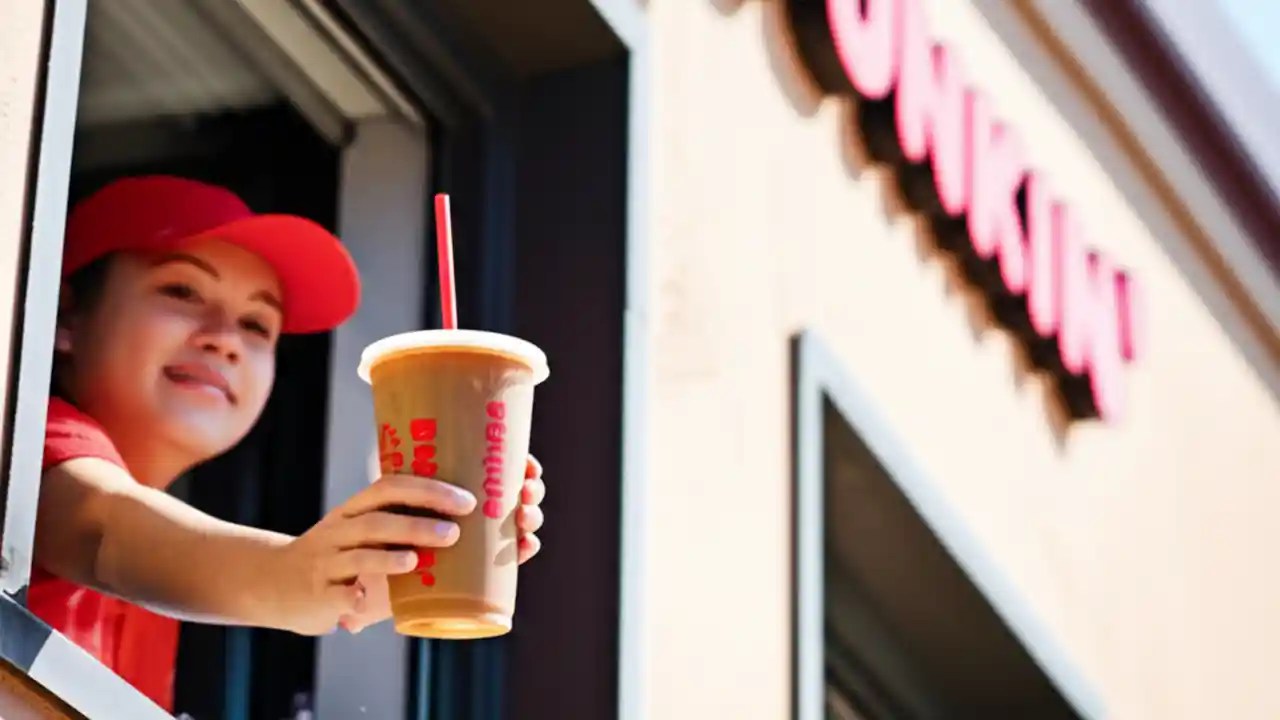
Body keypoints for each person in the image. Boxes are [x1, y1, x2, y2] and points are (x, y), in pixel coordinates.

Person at [29, 175, 548, 712]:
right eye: (182, 290)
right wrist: (293, 576)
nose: (225, 338)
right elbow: (104, 533)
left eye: (256, 323)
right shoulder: (32, 441)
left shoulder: (166, 579)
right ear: (67, 315)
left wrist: (379, 574)